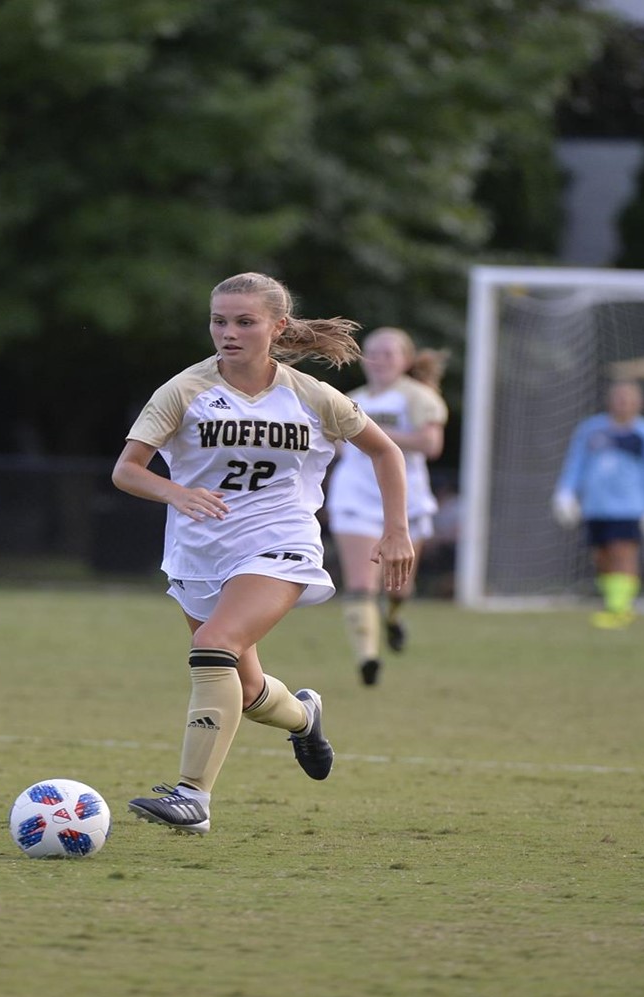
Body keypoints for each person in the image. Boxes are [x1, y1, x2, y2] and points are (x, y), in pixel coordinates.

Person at [111, 272, 414, 834]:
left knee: (213, 643)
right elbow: (126, 470)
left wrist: (396, 530)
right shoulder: (184, 390)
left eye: (244, 321)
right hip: (199, 551)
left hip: (282, 543)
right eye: (219, 321)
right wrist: (176, 491)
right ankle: (304, 716)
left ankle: (191, 796)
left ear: (277, 328)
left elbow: (386, 452)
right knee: (244, 689)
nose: (228, 332)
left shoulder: (310, 396)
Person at [324, 327, 449, 686]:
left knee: (397, 588)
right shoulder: (349, 399)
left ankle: (393, 617)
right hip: (355, 498)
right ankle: (368, 659)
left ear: (406, 360)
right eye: (372, 352)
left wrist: (372, 435)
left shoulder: (416, 396)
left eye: (389, 353)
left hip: (404, 502)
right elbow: (333, 445)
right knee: (362, 584)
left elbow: (431, 444)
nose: (378, 360)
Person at [551, 380, 644, 628]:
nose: (623, 403)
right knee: (601, 556)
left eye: (628, 399)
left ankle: (620, 608)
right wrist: (566, 492)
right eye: (619, 398)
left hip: (629, 507)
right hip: (595, 506)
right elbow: (576, 463)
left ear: (639, 403)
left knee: (623, 552)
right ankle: (611, 603)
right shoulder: (591, 430)